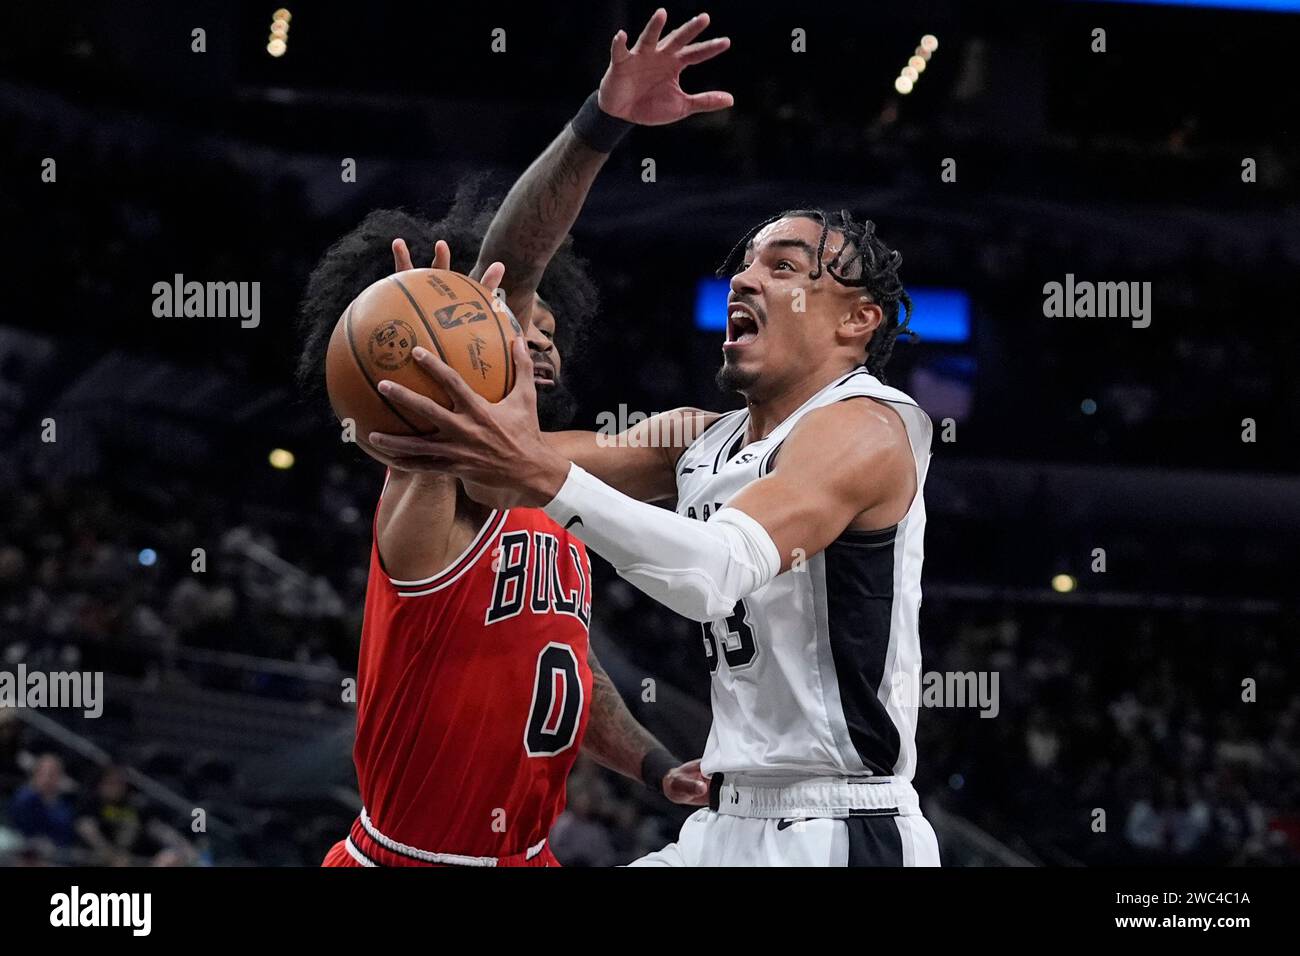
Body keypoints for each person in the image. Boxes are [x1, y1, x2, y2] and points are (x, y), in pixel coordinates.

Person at [367, 11, 940, 866]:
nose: (746, 273)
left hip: (837, 829)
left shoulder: (871, 426)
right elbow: (493, 461)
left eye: (784, 266)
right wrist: (433, 386)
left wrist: (530, 469)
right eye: (745, 262)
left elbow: (714, 573)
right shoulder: (698, 443)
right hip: (724, 820)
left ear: (859, 320)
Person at [296, 23, 732, 862]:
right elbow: (513, 262)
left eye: (542, 327)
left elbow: (567, 671)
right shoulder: (435, 474)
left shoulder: (564, 492)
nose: (529, 335)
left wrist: (653, 764)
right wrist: (601, 123)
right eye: (503, 325)